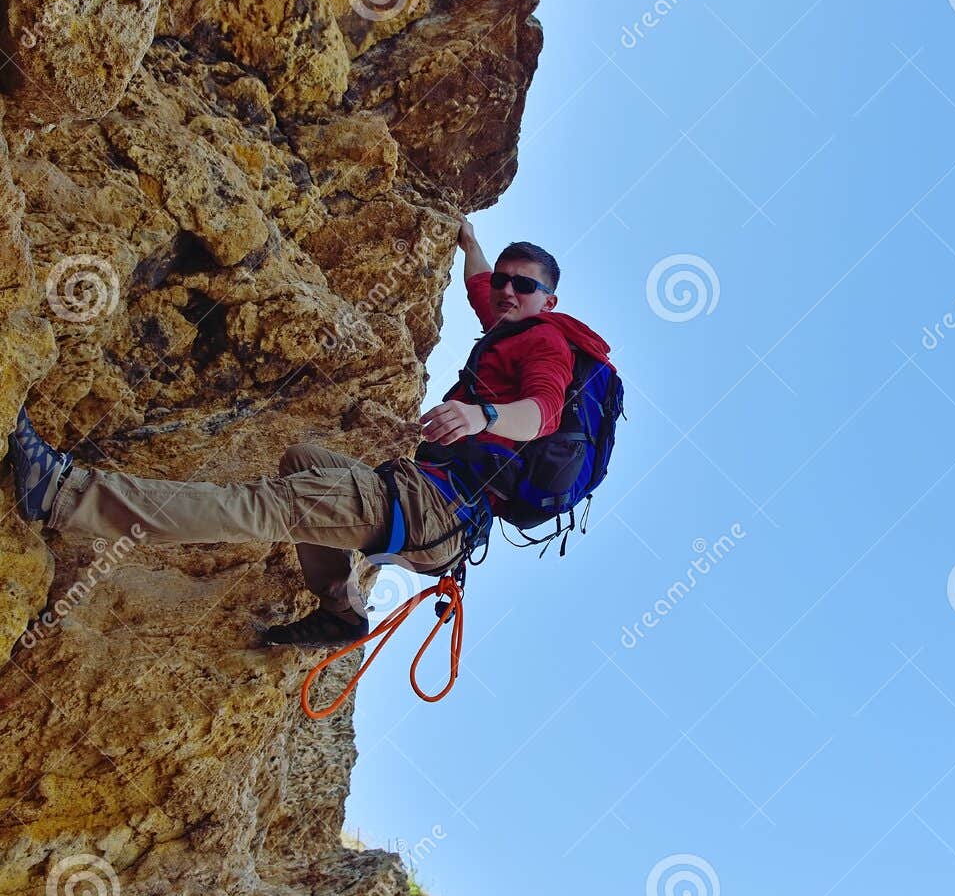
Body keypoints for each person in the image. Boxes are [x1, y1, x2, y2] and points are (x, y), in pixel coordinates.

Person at [8, 219, 611, 649]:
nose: (507, 289)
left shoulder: (546, 341)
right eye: (505, 279)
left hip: (430, 505)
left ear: (549, 299)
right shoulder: (509, 321)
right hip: (435, 510)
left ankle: (61, 494)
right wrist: (470, 241)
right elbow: (482, 288)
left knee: (261, 507)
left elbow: (544, 411)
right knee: (302, 458)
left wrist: (485, 418)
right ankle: (342, 610)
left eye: (523, 285)